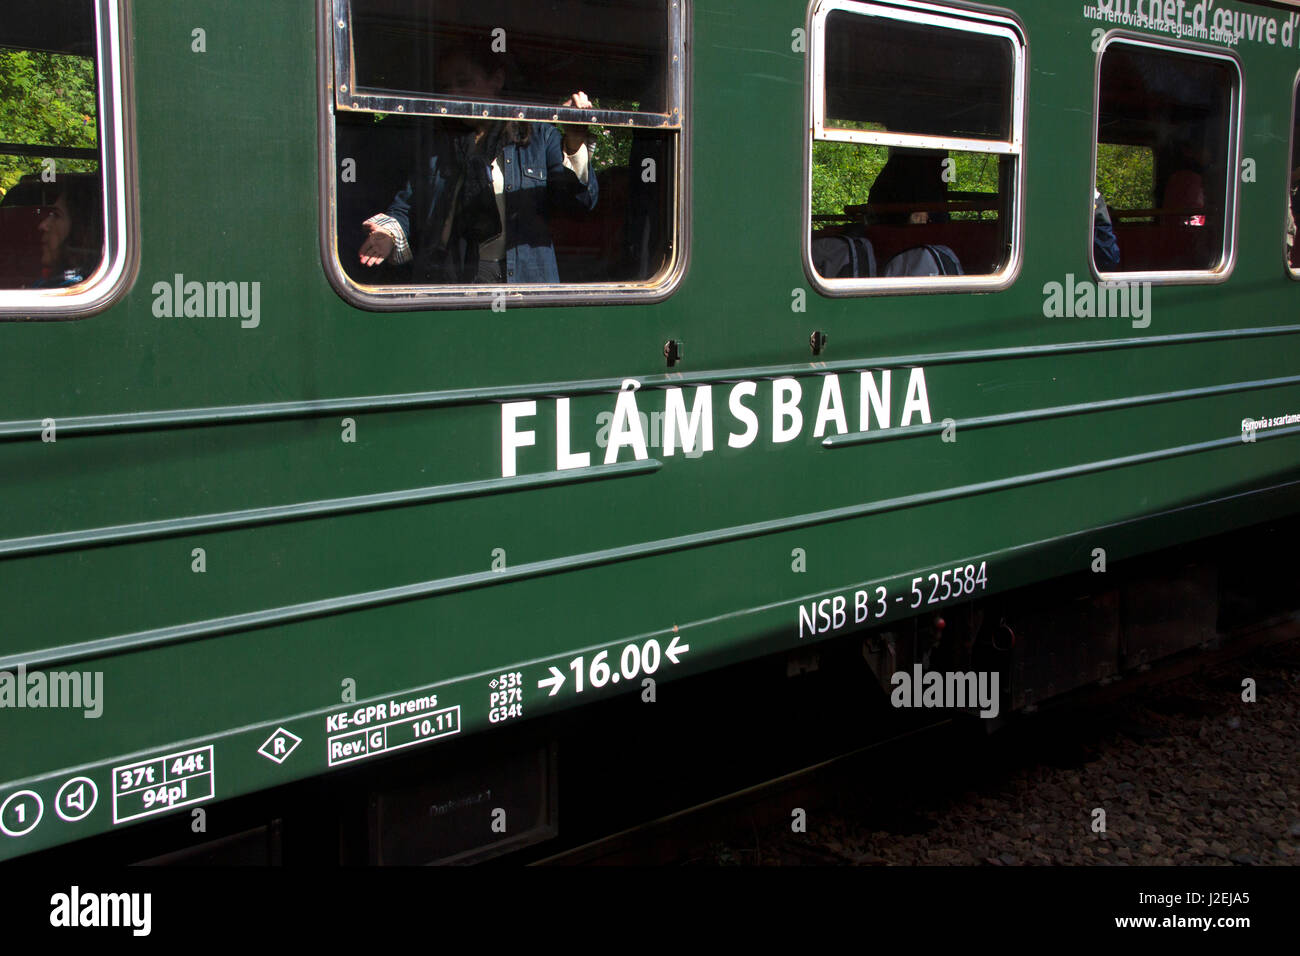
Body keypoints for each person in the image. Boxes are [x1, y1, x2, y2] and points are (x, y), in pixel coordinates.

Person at [358, 47, 598, 284]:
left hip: (523, 285)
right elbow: (408, 206)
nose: (453, 93)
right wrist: (387, 235)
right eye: (446, 87)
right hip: (451, 282)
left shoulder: (538, 136)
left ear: (497, 80)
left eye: (463, 82)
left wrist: (575, 141)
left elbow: (579, 202)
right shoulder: (438, 146)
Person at [32, 176, 102, 287]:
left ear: (82, 230)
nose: (43, 225)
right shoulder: (53, 283)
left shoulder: (80, 288)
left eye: (56, 215)